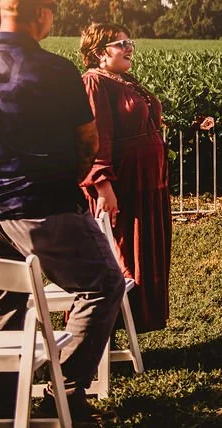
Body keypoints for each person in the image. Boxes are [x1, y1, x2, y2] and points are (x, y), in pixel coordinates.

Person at [0, 0, 125, 420]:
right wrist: (69, 182)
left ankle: (2, 411)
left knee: (1, 310)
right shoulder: (54, 71)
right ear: (39, 15)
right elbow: (87, 142)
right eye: (51, 9)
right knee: (103, 283)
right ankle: (63, 389)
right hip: (41, 207)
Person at [79, 22, 172, 332]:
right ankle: (104, 332)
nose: (128, 47)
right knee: (121, 256)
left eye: (129, 41)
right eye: (120, 43)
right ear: (98, 52)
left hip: (146, 184)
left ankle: (137, 323)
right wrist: (103, 186)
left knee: (142, 253)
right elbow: (95, 139)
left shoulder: (123, 80)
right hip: (124, 187)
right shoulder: (95, 83)